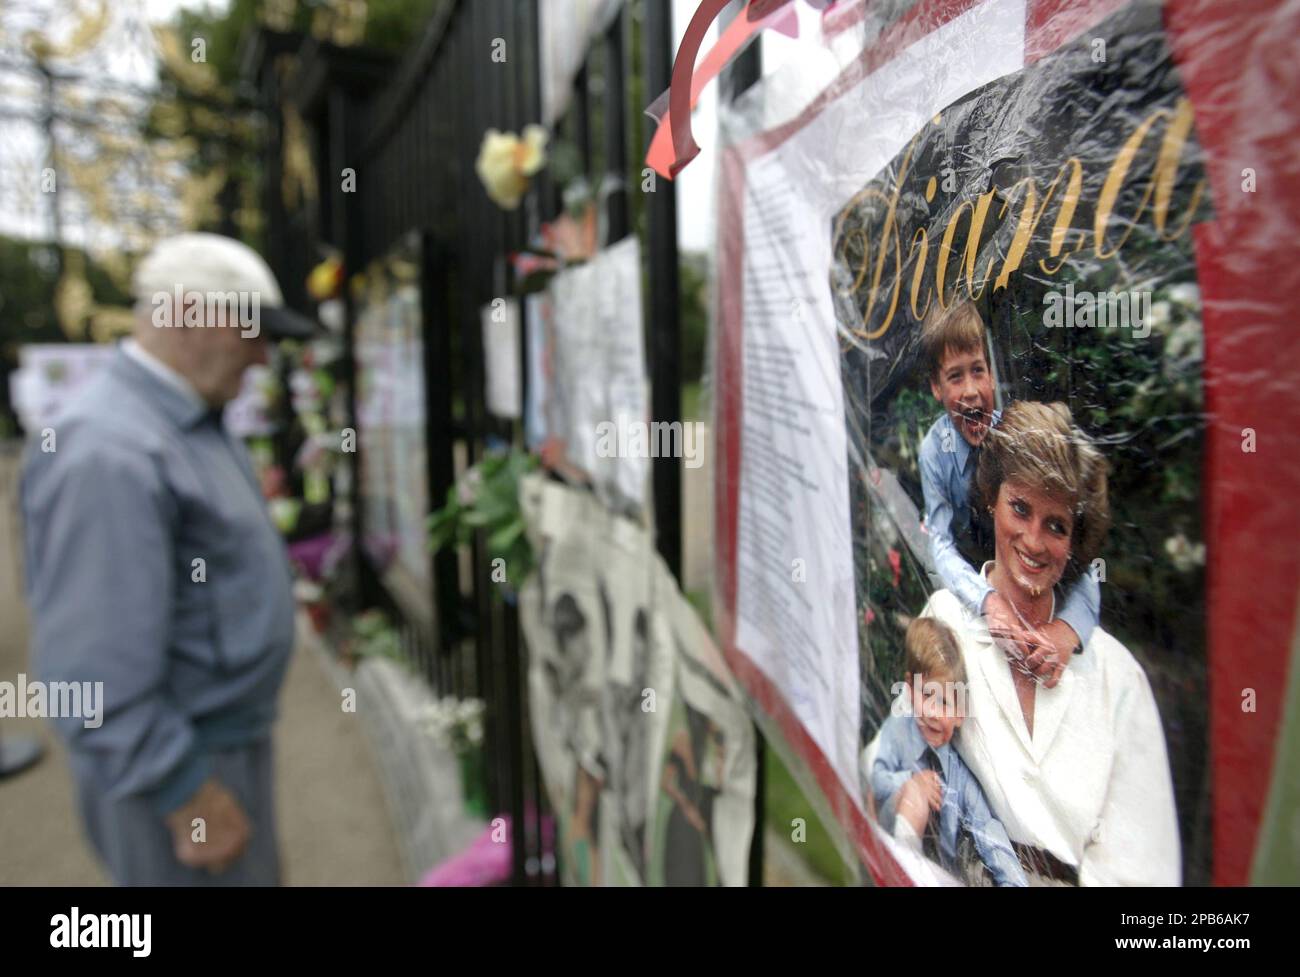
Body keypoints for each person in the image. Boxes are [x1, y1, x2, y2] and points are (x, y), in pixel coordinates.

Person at [21, 233, 315, 884]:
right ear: (191, 317)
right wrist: (184, 792)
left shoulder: (186, 422)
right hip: (181, 765)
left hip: (215, 747)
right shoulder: (109, 450)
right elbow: (90, 669)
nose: (263, 355)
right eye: (252, 331)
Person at [920, 400, 1180, 885]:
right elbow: (906, 777)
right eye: (1020, 508)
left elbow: (1144, 870)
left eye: (1056, 525)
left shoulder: (1117, 679)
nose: (1035, 542)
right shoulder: (946, 622)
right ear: (991, 500)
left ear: (1075, 540)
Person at [918, 301, 1099, 686]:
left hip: (1035, 596)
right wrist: (986, 600)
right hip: (985, 588)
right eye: (954, 377)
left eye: (978, 371)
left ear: (992, 373)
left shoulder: (1021, 439)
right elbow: (940, 542)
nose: (971, 390)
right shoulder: (935, 452)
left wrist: (1070, 628)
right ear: (936, 387)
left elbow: (1080, 542)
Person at [870, 618, 1027, 887]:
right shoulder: (897, 731)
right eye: (925, 695)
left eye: (943, 702)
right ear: (909, 689)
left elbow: (988, 830)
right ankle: (900, 877)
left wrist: (1014, 883)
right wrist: (909, 781)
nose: (931, 712)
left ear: (960, 715)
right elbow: (874, 779)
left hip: (935, 875)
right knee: (915, 795)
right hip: (886, 847)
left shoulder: (958, 775)